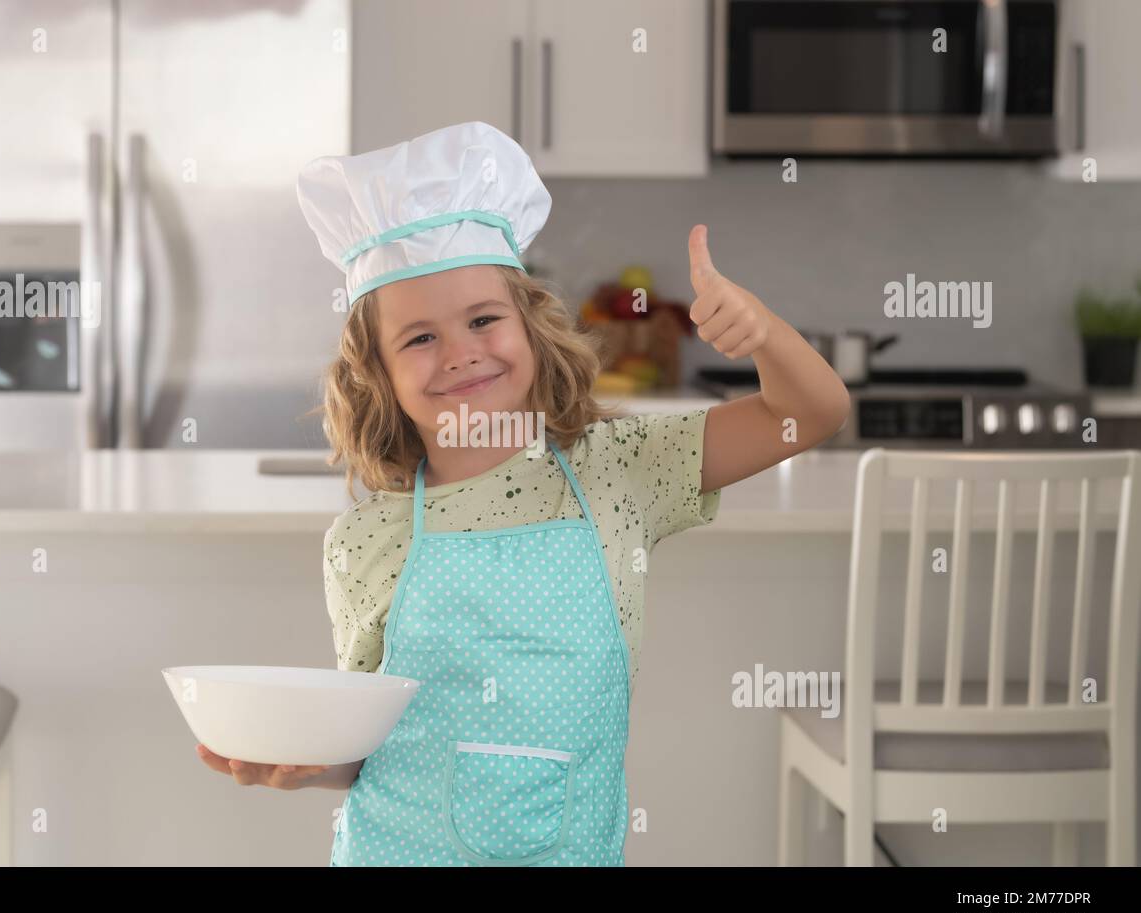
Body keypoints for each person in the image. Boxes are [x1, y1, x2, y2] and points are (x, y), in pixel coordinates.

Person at [197, 121, 850, 865]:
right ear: (375, 374)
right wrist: (305, 766)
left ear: (533, 329)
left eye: (483, 319)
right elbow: (367, 753)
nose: (461, 353)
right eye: (419, 338)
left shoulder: (621, 469)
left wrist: (762, 334)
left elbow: (811, 414)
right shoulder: (364, 541)